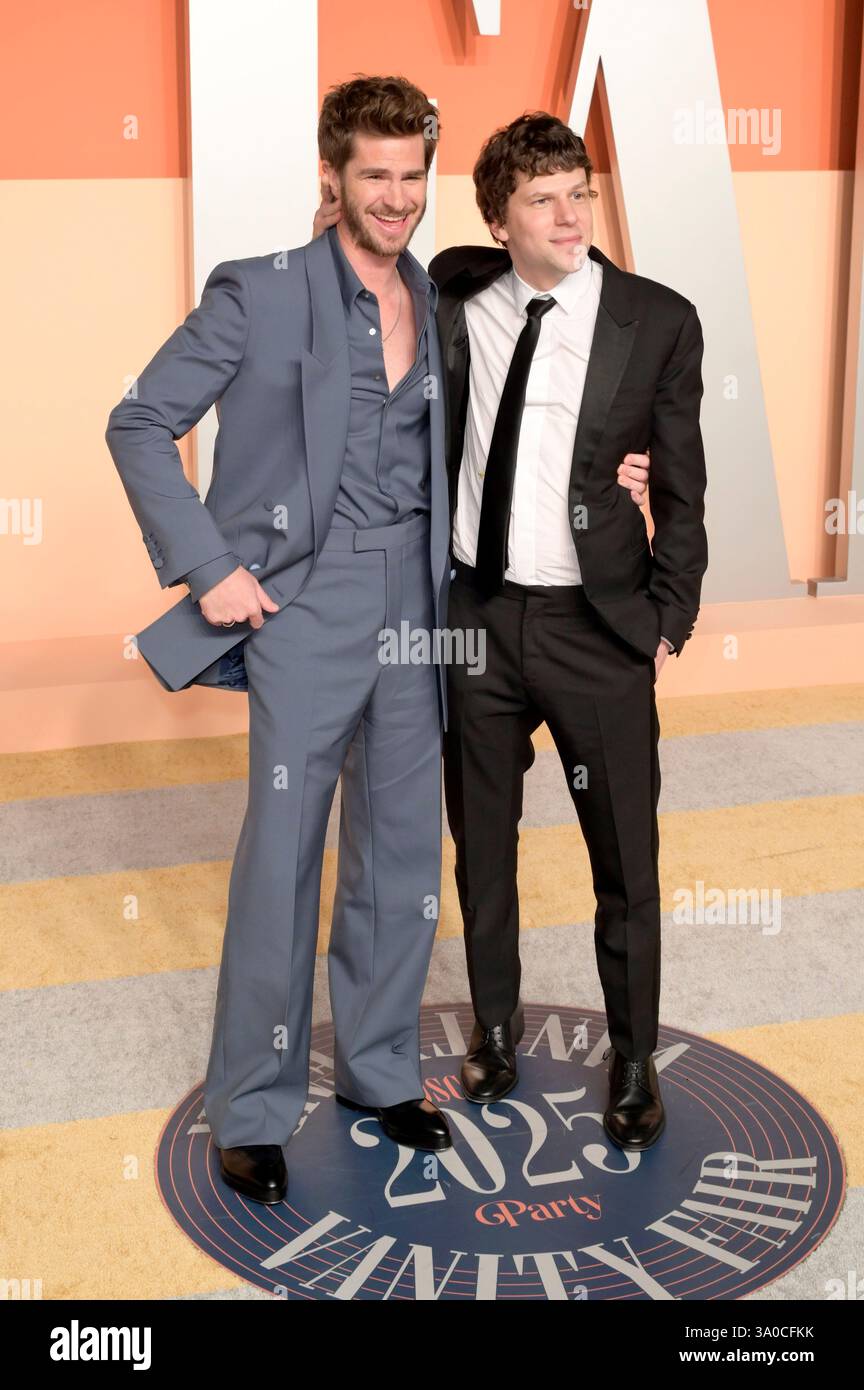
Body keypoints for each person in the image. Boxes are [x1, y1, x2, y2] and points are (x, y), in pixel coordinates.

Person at [314, 110, 708, 1152]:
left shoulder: (657, 319)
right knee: (480, 848)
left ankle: (632, 1063)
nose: (571, 211)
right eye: (543, 198)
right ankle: (493, 1030)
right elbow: (369, 267)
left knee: (626, 861)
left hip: (598, 628)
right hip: (475, 621)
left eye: (580, 190)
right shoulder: (455, 291)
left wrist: (671, 613)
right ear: (499, 220)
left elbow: (684, 481)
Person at [106, 75, 460, 1206]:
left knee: (402, 853)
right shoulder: (259, 294)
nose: (397, 198)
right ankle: (252, 1105)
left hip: (416, 600)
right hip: (305, 604)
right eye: (375, 176)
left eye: (412, 176)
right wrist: (209, 566)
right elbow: (141, 420)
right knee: (281, 857)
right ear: (332, 176)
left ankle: (379, 1070)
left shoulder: (435, 300)